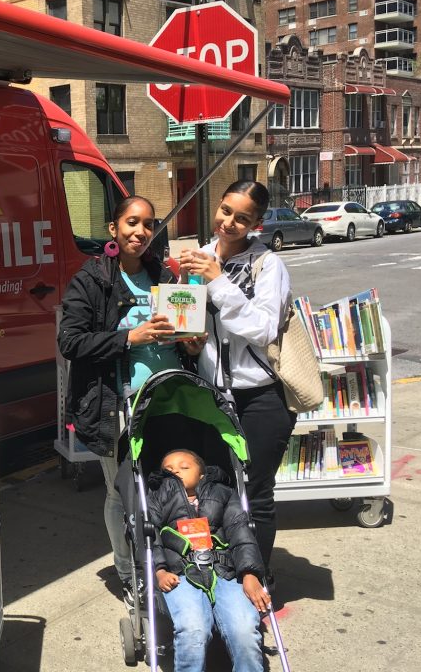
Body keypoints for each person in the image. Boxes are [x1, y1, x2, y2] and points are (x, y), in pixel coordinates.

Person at [58, 195, 204, 595]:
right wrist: (129, 338)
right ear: (114, 229)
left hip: (169, 400)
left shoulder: (165, 276)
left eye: (148, 224)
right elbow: (70, 341)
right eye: (132, 223)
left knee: (170, 487)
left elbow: (182, 336)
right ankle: (130, 573)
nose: (141, 232)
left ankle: (167, 563)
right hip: (117, 407)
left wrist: (191, 345)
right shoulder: (92, 280)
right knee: (121, 494)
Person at [177, 180, 293, 577]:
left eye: (242, 218)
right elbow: (189, 321)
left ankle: (255, 578)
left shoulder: (268, 265)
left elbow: (263, 329)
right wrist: (191, 344)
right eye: (226, 211)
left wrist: (219, 281)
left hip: (260, 397)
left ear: (256, 223)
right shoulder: (199, 258)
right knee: (212, 491)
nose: (228, 222)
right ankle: (219, 572)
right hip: (212, 396)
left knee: (256, 495)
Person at [148, 449, 269, 672]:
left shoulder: (223, 493)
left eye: (184, 467)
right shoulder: (157, 497)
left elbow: (240, 533)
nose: (176, 471)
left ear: (202, 474)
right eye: (169, 469)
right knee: (193, 629)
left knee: (244, 628)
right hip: (179, 572)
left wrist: (249, 573)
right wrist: (160, 570)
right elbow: (149, 537)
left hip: (225, 569)